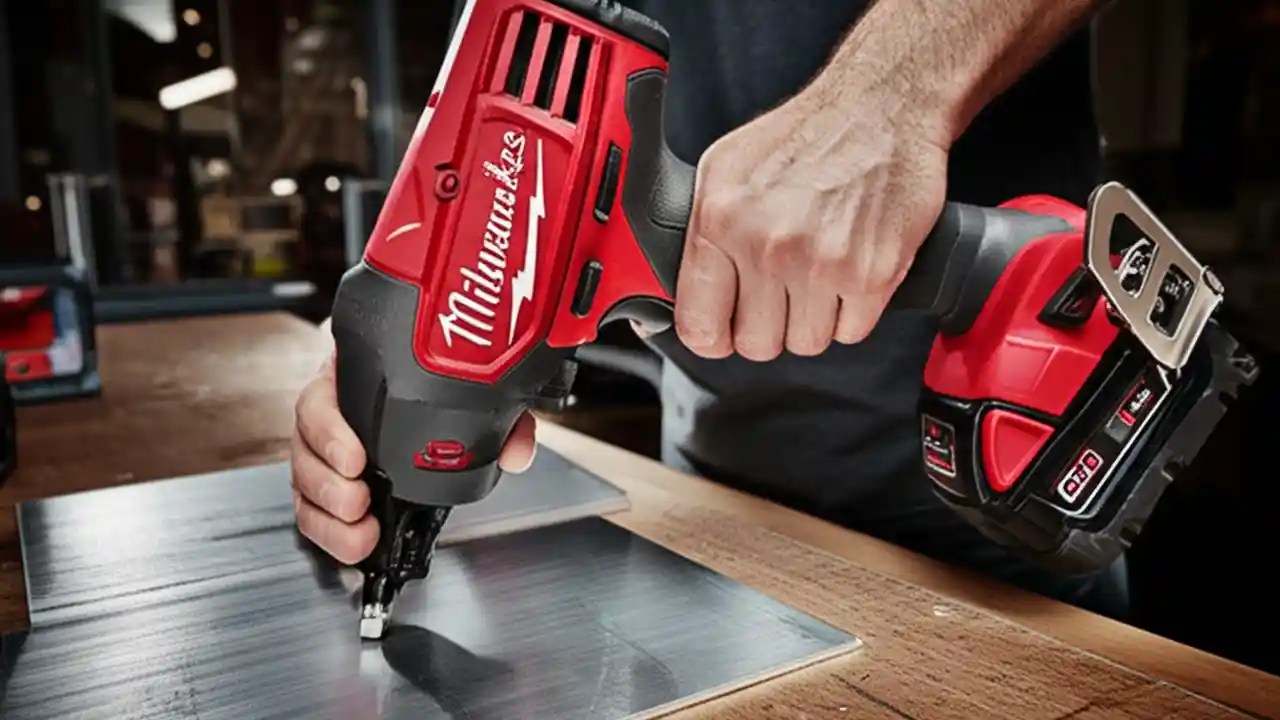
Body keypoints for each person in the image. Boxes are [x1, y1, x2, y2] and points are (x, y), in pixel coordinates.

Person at [290, 0, 1130, 619]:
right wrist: (392, 325)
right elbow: (490, 134)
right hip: (711, 506)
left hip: (997, 486)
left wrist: (887, 103)